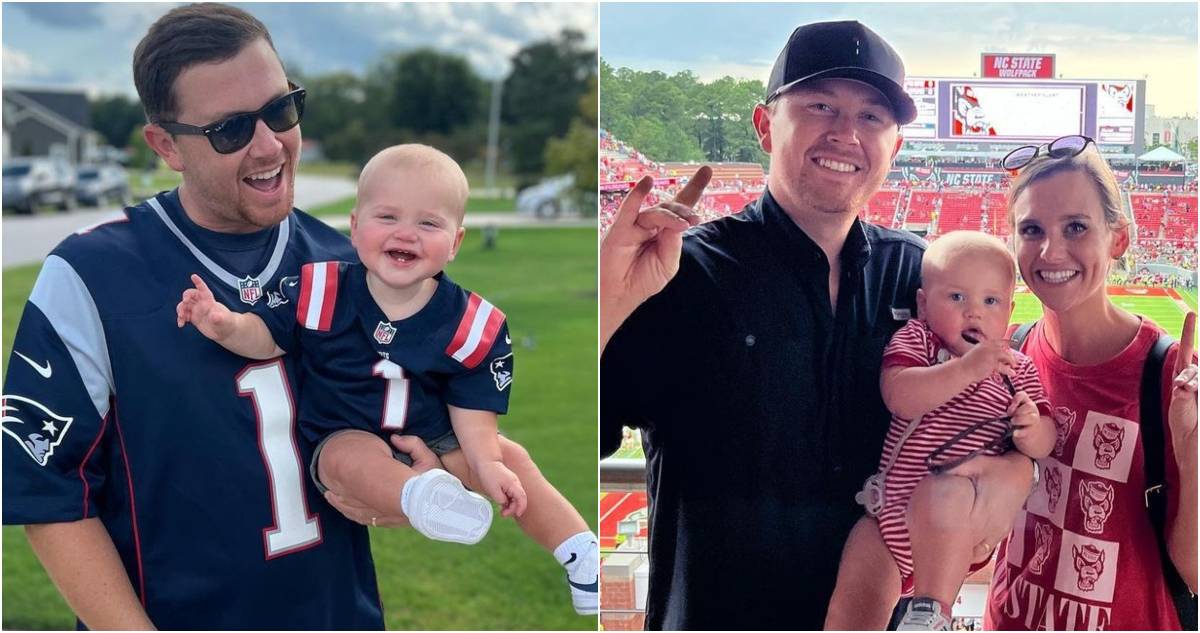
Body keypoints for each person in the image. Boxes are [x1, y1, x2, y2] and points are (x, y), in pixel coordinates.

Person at [3, 4, 434, 628]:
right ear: (165, 146)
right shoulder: (88, 276)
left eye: (281, 110)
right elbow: (49, 489)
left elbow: (398, 420)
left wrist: (411, 481)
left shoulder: (349, 266)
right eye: (230, 129)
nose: (270, 145)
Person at [600, 20, 938, 629]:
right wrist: (604, 305)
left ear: (895, 146)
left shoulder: (921, 276)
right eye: (820, 105)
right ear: (764, 125)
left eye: (871, 116)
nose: (846, 133)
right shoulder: (678, 272)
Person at [176, 144, 599, 615]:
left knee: (509, 460)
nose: (406, 233)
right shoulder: (319, 289)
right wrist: (226, 324)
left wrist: (486, 462)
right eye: (388, 217)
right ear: (355, 226)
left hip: (436, 434)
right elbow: (268, 339)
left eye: (429, 223)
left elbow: (472, 405)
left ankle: (580, 554)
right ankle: (425, 498)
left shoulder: (471, 322)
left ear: (455, 243)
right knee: (347, 459)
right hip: (345, 429)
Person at [984, 138, 1197, 630]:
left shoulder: (1173, 377)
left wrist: (1194, 459)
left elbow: (1195, 572)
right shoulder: (1008, 353)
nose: (1050, 250)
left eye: (1076, 227)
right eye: (1031, 229)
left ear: (1117, 240)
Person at [825, 231, 1056, 630]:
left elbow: (1046, 439)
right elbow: (899, 395)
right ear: (923, 304)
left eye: (990, 301)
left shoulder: (1016, 367)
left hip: (955, 517)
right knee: (852, 609)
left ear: (1010, 310)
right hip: (888, 514)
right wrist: (966, 369)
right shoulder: (919, 340)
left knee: (946, 498)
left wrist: (1031, 428)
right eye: (957, 297)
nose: (974, 313)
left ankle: (930, 614)